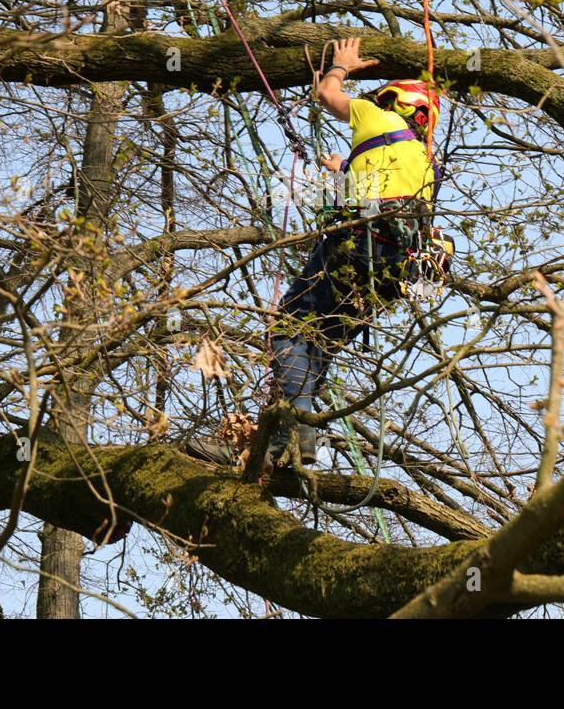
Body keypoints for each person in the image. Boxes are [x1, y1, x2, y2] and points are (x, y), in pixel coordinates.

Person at [189, 38, 443, 471]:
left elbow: (327, 96)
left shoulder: (376, 116)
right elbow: (381, 197)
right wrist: (342, 170)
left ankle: (301, 423)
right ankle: (281, 447)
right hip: (391, 274)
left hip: (353, 249)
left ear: (393, 104)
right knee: (319, 345)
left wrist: (341, 67)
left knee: (287, 329)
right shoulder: (424, 161)